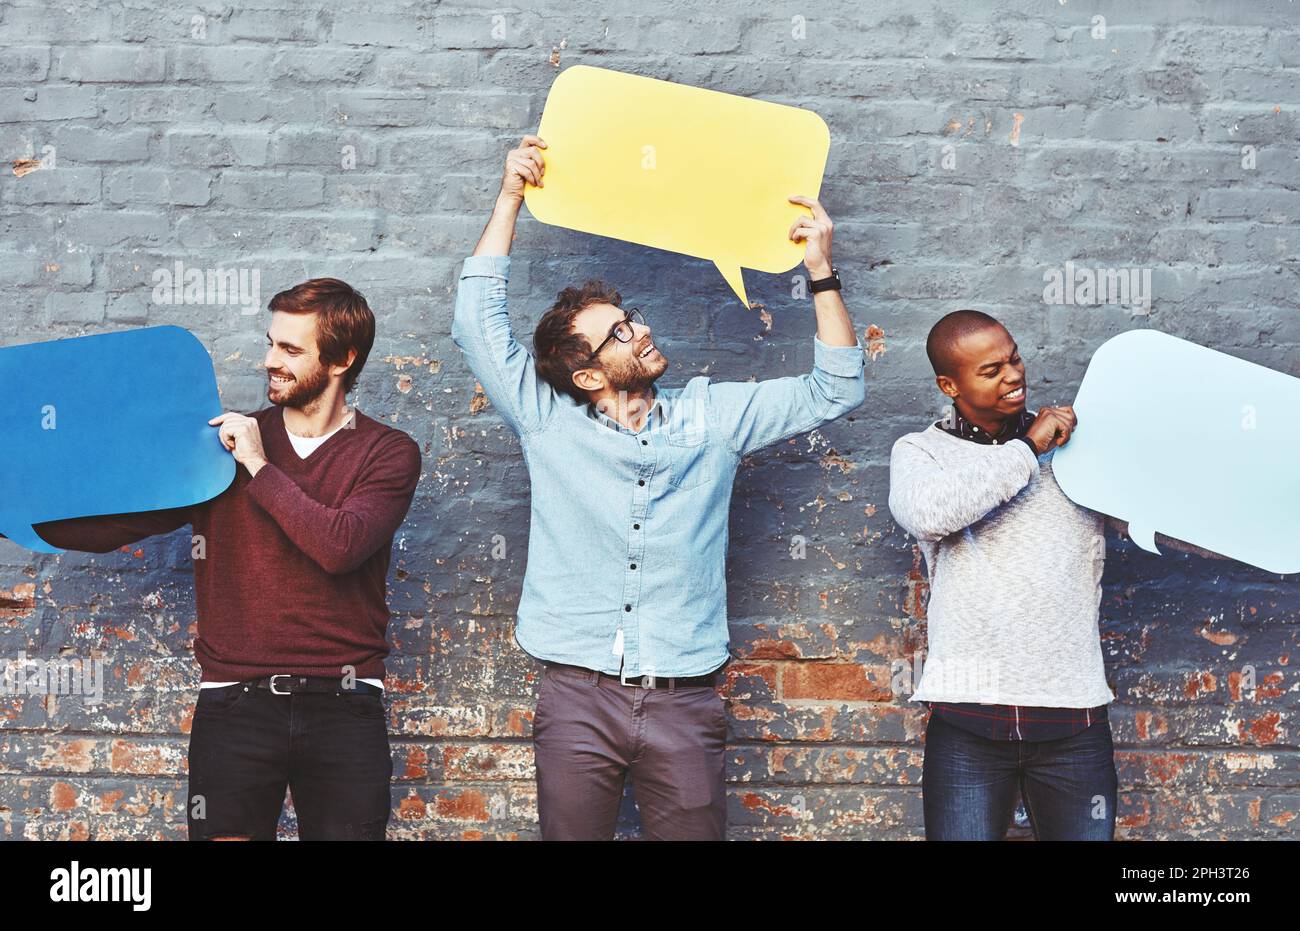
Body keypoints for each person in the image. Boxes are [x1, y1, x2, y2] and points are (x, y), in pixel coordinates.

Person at [452, 134, 866, 840]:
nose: (639, 331)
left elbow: (837, 388)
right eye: (618, 333)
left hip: (684, 700)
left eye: (633, 318)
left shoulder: (716, 416)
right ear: (586, 375)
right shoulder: (549, 421)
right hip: (576, 696)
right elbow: (476, 322)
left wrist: (820, 273)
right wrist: (509, 197)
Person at [30, 278, 421, 840]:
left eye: (290, 350)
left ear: (343, 359)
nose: (269, 362)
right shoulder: (225, 446)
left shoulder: (387, 452)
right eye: (270, 343)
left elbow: (341, 546)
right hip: (234, 702)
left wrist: (259, 467)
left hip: (345, 703)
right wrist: (20, 508)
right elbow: (117, 524)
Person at [888, 309, 1223, 841]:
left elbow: (1163, 527)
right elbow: (929, 515)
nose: (1014, 375)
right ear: (949, 385)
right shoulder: (922, 452)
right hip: (967, 724)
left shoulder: (1076, 451)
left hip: (1072, 723)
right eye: (991, 370)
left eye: (1014, 358)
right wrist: (1028, 450)